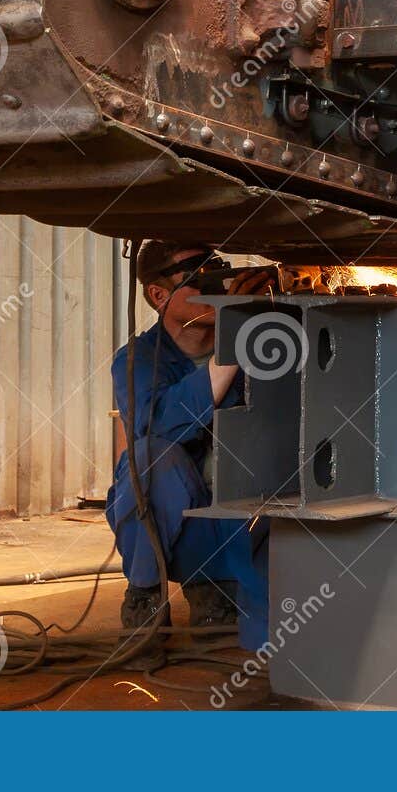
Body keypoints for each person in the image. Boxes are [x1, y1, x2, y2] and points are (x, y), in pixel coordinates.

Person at [105, 242, 274, 650]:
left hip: (243, 527)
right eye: (196, 272)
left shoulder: (263, 348)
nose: (212, 280)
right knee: (149, 458)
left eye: (215, 266)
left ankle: (218, 587)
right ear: (158, 295)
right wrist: (233, 346)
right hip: (177, 531)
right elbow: (164, 425)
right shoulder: (139, 360)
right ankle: (146, 595)